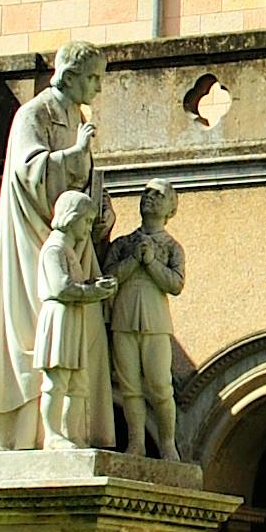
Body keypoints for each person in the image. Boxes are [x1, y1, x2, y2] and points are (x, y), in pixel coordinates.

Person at [0, 41, 101, 449]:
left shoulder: (76, 116)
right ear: (69, 76)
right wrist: (75, 155)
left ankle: (63, 430)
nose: (98, 87)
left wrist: (98, 205)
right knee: (32, 331)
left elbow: (83, 181)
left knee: (76, 341)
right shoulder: (33, 114)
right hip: (34, 238)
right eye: (92, 78)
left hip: (72, 239)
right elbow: (29, 172)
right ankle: (21, 431)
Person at [105, 186, 184, 459]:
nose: (149, 197)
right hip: (124, 318)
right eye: (146, 193)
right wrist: (132, 261)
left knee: (161, 384)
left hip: (156, 320)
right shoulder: (123, 243)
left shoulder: (172, 247)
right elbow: (108, 276)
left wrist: (151, 263)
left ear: (170, 208)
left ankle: (167, 443)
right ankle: (136, 442)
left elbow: (176, 284)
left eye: (158, 195)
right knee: (129, 387)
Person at [36, 187, 114, 451]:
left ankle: (72, 433)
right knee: (57, 380)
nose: (89, 228)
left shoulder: (68, 250)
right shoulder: (54, 248)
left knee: (78, 382)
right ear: (71, 217)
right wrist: (93, 292)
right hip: (59, 316)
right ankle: (52, 435)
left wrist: (95, 288)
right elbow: (61, 288)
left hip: (73, 316)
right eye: (87, 221)